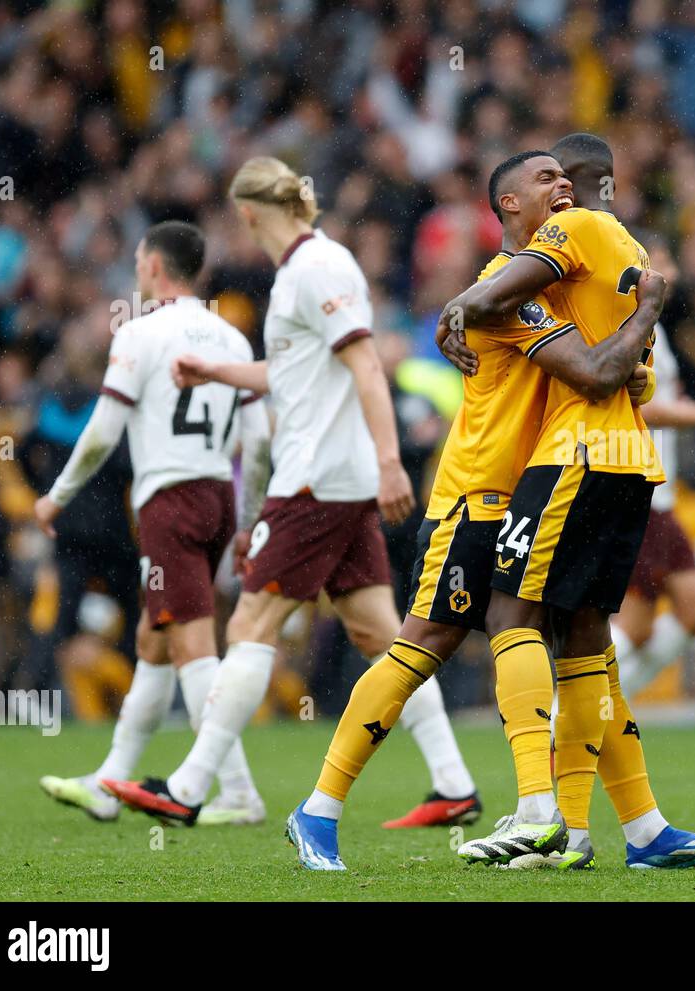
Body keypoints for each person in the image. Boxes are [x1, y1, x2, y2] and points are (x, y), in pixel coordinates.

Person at [283, 150, 669, 870]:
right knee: (424, 643)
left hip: (531, 490)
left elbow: (618, 372)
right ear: (510, 206)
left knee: (582, 644)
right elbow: (590, 373)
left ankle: (613, 825)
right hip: (476, 495)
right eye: (545, 179)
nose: (564, 188)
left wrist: (635, 362)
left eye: (568, 177)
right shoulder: (504, 292)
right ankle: (319, 809)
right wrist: (640, 318)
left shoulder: (544, 292)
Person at [103, 158, 476, 826]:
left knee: (249, 625)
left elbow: (365, 365)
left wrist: (392, 462)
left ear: (247, 214)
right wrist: (218, 368)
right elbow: (297, 368)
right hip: (339, 477)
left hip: (316, 479)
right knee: (380, 632)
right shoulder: (309, 270)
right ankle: (453, 782)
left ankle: (188, 787)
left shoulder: (315, 270)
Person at [438, 133, 695, 869]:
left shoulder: (573, 230)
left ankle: (538, 810)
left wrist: (455, 311)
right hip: (633, 463)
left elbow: (521, 314)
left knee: (512, 612)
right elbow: (636, 380)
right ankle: (639, 830)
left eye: (554, 177)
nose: (553, 193)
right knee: (587, 641)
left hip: (574, 458)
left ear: (573, 184)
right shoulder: (628, 252)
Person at [35, 221, 270, 825]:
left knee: (192, 645)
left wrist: (57, 496)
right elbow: (260, 439)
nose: (136, 269)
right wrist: (245, 522)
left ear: (154, 268)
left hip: (171, 499)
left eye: (140, 259)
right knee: (153, 640)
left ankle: (239, 791)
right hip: (218, 494)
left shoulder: (139, 334)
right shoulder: (235, 340)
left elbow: (103, 432)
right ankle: (109, 780)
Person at [611, 320, 695, 697]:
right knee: (633, 627)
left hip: (658, 497)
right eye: (666, 255)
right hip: (636, 492)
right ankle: (565, 715)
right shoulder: (626, 320)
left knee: (694, 611)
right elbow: (627, 409)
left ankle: (596, 710)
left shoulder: (656, 325)